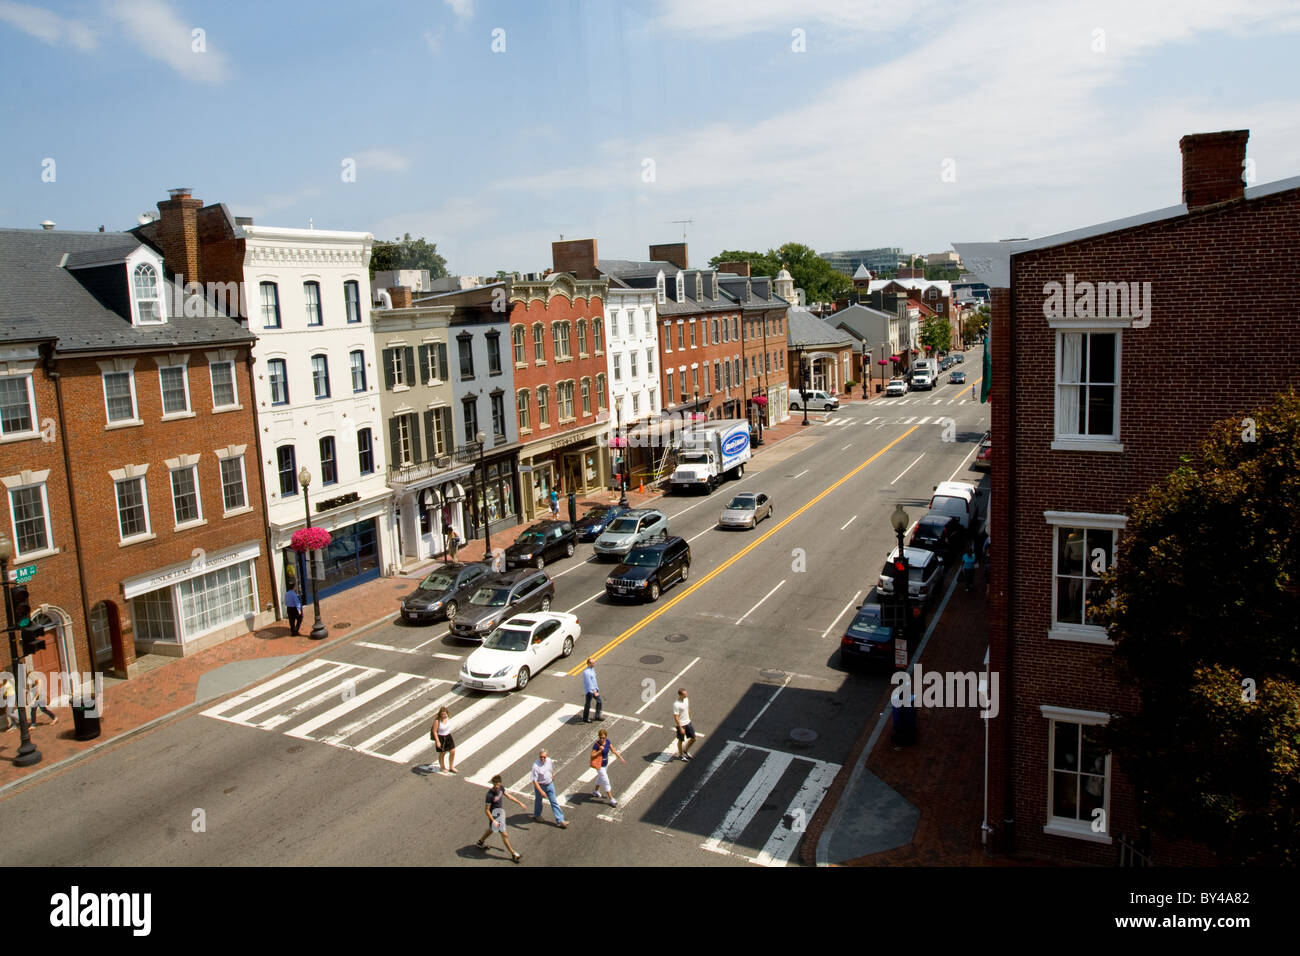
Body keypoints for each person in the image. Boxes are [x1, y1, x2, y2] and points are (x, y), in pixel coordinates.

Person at [477, 775, 525, 863]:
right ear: (493, 784)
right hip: (494, 815)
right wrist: (494, 820)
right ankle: (513, 854)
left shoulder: (501, 788)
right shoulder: (489, 795)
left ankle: (480, 842)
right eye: (495, 785)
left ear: (500, 783)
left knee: (492, 829)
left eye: (498, 785)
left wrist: (519, 802)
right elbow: (487, 810)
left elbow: (508, 796)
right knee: (504, 834)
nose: (497, 787)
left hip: (500, 813)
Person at [529, 749, 569, 827]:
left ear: (546, 757)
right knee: (538, 801)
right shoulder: (535, 766)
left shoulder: (549, 761)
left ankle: (560, 821)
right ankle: (537, 815)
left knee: (554, 802)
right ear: (539, 756)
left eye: (544, 757)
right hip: (540, 785)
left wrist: (552, 775)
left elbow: (551, 769)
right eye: (541, 757)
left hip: (549, 784)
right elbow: (534, 781)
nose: (542, 759)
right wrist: (541, 791)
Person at [590, 728, 626, 807]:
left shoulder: (608, 742)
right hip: (599, 766)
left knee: (600, 777)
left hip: (605, 764)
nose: (602, 739)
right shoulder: (596, 745)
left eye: (603, 738)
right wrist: (599, 750)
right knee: (606, 780)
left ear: (606, 737)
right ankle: (612, 799)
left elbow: (613, 751)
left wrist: (621, 758)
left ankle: (595, 791)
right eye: (600, 738)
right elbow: (592, 755)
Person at [430, 706, 456, 773]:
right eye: (442, 714)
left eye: (445, 714)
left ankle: (451, 767)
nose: (443, 716)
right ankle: (442, 767)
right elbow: (434, 731)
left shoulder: (447, 718)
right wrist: (438, 741)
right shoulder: (437, 721)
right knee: (442, 753)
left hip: (448, 736)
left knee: (452, 751)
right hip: (441, 737)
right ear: (440, 714)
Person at [673, 688, 696, 761]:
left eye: (686, 693)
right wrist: (680, 728)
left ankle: (685, 750)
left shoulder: (686, 699)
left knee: (693, 738)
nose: (686, 695)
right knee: (681, 740)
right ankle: (681, 755)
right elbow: (676, 717)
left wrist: (689, 718)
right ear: (680, 695)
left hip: (688, 722)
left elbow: (687, 708)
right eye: (684, 694)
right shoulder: (676, 704)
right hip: (682, 724)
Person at [582, 658, 602, 722]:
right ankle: (585, 718)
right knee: (588, 704)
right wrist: (594, 691)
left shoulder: (592, 669)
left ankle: (597, 716)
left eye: (594, 663)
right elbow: (589, 683)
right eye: (592, 663)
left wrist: (596, 688)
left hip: (594, 689)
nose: (594, 664)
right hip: (589, 691)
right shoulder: (586, 672)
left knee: (599, 701)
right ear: (589, 663)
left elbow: (594, 680)